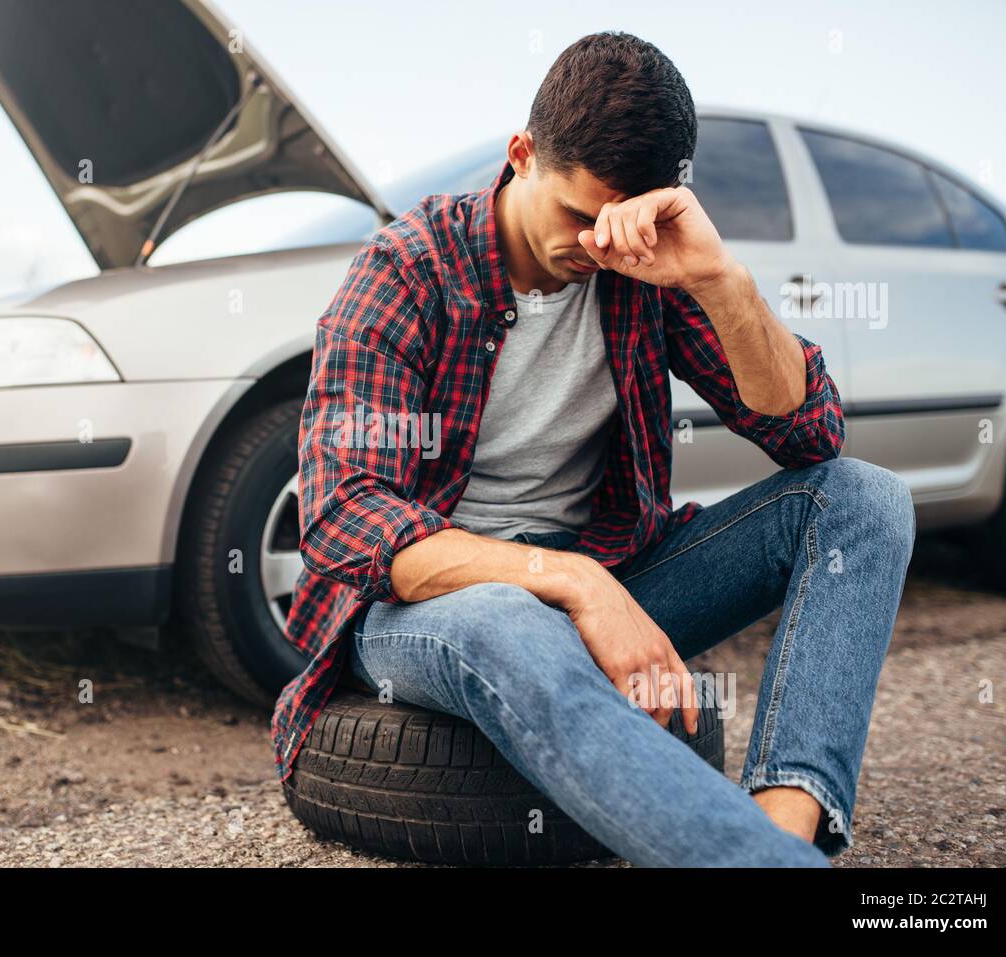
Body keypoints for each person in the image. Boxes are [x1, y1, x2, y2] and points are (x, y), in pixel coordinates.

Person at [271, 30, 915, 867]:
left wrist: (718, 280)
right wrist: (574, 584)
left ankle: (785, 839)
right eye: (576, 214)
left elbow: (807, 434)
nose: (594, 245)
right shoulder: (405, 272)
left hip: (612, 566)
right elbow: (344, 516)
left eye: (617, 223)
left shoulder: (637, 261)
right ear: (522, 154)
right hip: (431, 606)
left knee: (864, 498)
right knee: (510, 620)